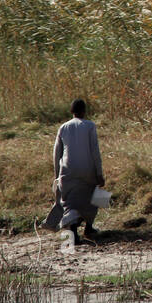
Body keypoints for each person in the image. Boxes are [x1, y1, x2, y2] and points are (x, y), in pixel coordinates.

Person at [44, 99, 106, 242]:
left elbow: (56, 153)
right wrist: (99, 173)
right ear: (84, 111)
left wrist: (57, 175)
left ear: (71, 111)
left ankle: (72, 233)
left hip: (67, 170)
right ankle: (89, 227)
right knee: (95, 197)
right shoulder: (90, 126)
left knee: (69, 203)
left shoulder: (63, 127)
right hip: (88, 170)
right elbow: (95, 152)